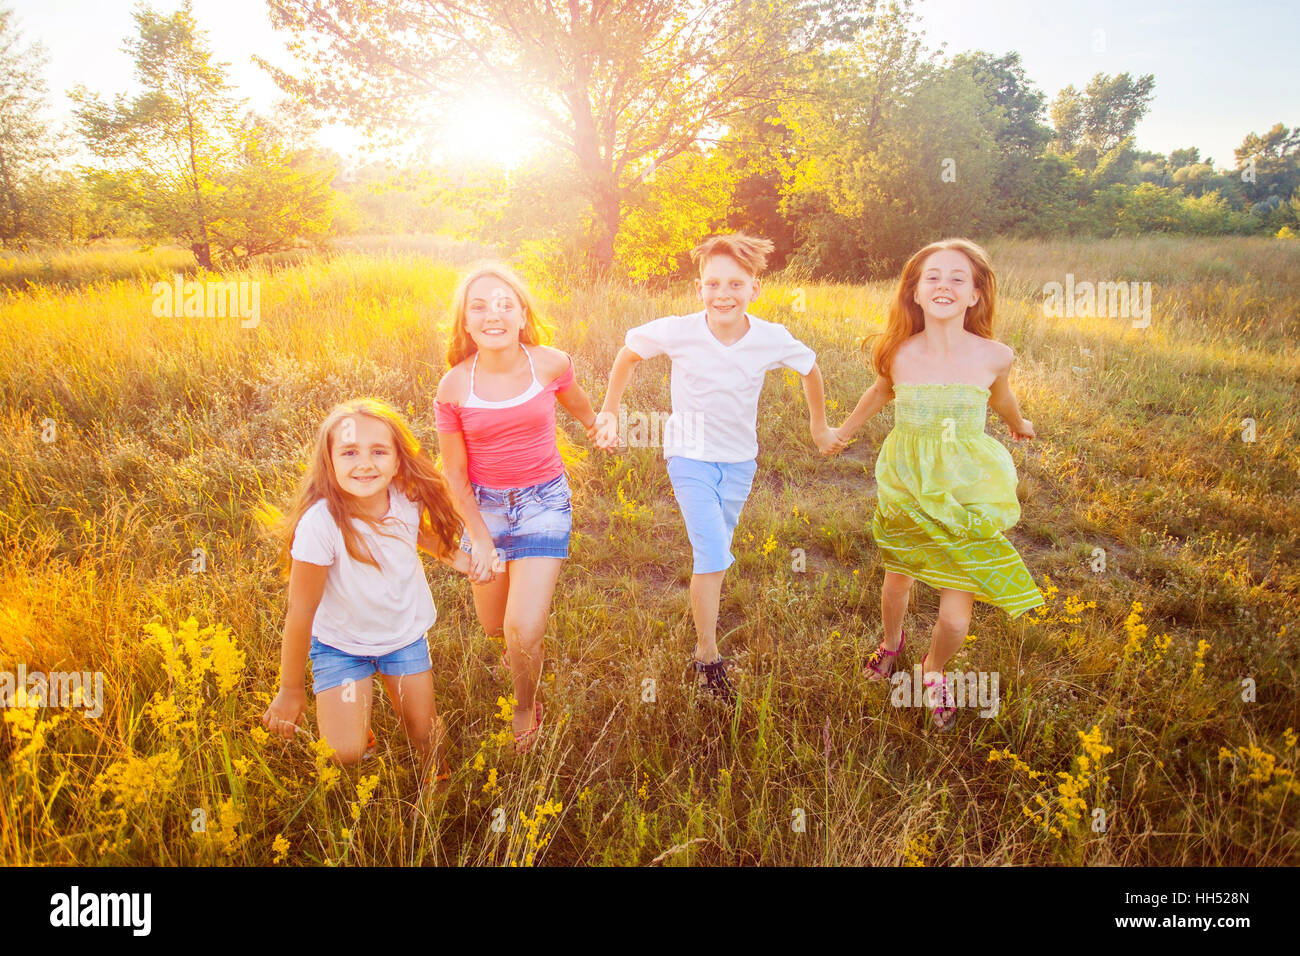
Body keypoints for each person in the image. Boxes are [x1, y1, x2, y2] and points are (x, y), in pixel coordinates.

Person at [594, 233, 842, 702]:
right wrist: (610, 410)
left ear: (755, 289)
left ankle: (704, 619)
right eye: (712, 284)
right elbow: (628, 355)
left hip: (740, 461)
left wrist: (819, 428)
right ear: (698, 288)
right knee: (711, 554)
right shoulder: (681, 330)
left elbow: (810, 368)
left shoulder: (770, 338)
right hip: (688, 457)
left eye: (735, 283)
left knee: (716, 552)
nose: (723, 293)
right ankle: (707, 657)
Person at [829, 238, 1045, 730]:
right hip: (907, 481)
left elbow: (1002, 398)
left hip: (964, 487)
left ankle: (933, 668)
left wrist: (1020, 423)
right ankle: (891, 642)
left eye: (957, 278)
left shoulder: (994, 355)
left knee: (954, 619)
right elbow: (880, 392)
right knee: (897, 582)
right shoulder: (898, 352)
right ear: (916, 293)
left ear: (974, 295)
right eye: (933, 277)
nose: (944, 284)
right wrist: (844, 432)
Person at [434, 262, 605, 752]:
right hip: (482, 509)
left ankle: (526, 703)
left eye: (506, 304)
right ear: (466, 323)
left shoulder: (549, 363)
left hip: (543, 501)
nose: (495, 313)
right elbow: (454, 476)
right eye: (481, 305)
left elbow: (581, 407)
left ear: (522, 314)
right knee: (494, 626)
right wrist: (481, 541)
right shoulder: (453, 387)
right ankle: (516, 651)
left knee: (520, 625)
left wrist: (600, 425)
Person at [262, 398, 471, 790]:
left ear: (396, 462)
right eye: (349, 452)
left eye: (378, 451)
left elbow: (417, 534)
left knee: (423, 731)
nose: (364, 463)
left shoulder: (406, 499)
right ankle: (359, 729)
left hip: (402, 638)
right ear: (330, 462)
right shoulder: (319, 525)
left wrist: (455, 557)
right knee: (344, 752)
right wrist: (290, 689)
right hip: (341, 646)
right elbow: (302, 609)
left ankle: (437, 779)